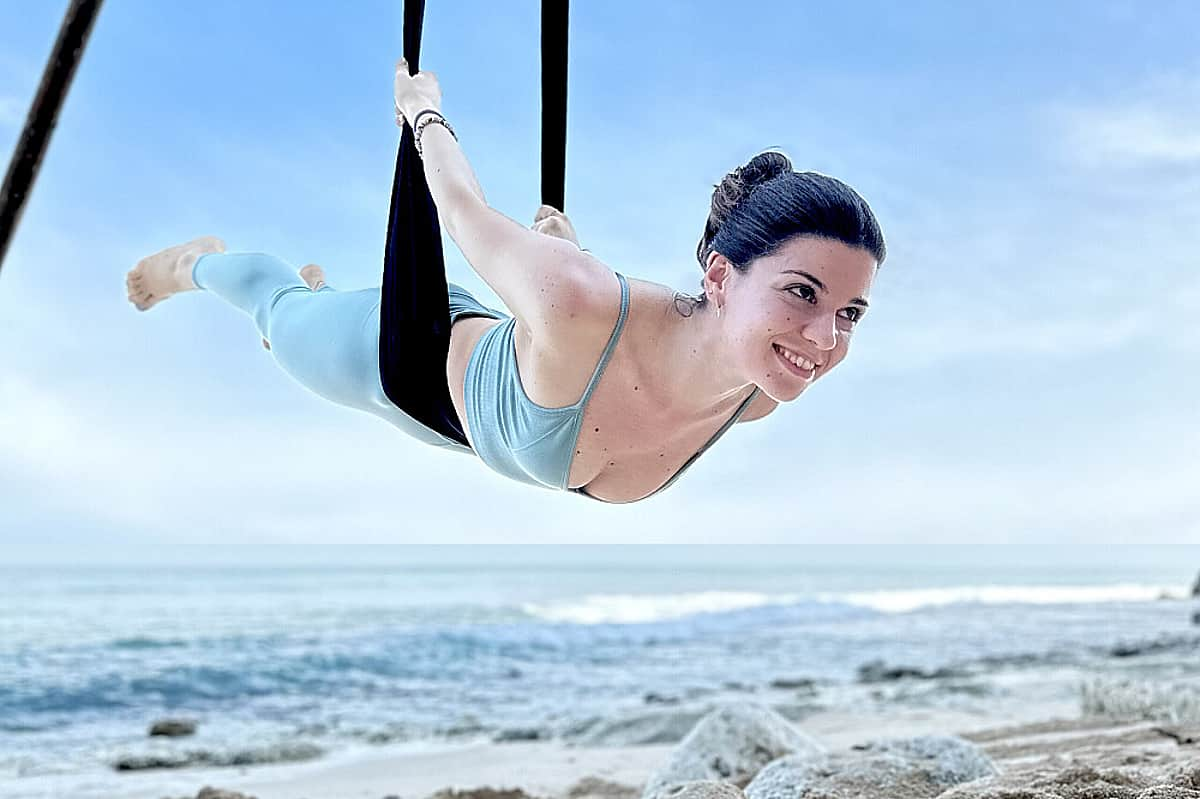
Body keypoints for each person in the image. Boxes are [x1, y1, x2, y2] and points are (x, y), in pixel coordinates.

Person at [125, 60, 885, 504]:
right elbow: (459, 210)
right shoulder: (577, 299)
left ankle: (320, 296)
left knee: (303, 317)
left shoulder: (755, 394)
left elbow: (599, 349)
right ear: (721, 275)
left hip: (504, 399)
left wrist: (565, 263)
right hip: (406, 362)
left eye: (851, 310)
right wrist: (423, 115)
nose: (826, 339)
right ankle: (194, 262)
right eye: (802, 292)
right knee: (273, 311)